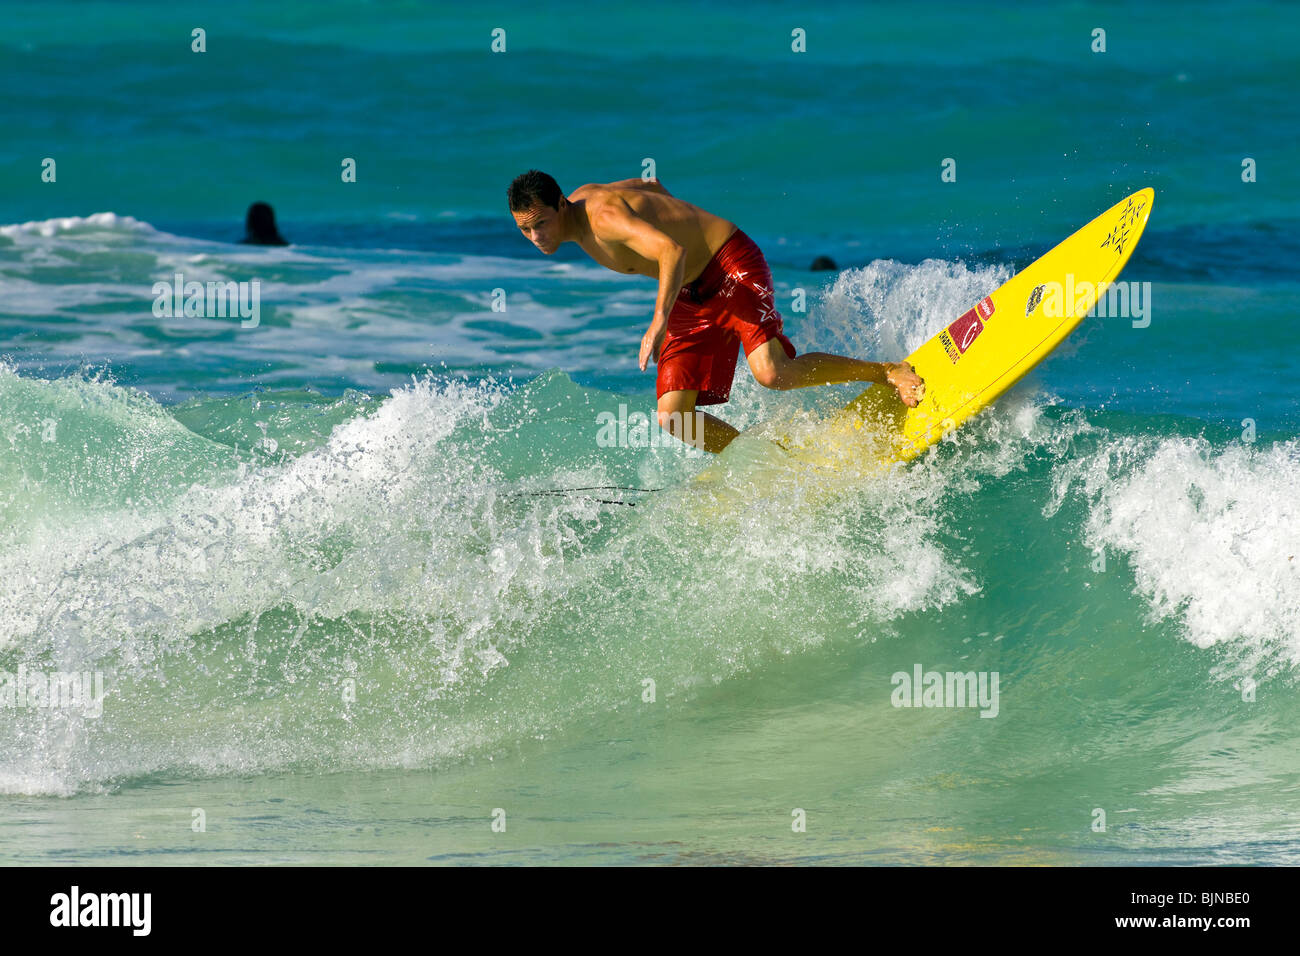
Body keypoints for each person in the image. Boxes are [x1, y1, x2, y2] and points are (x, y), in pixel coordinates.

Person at [507, 170, 923, 453]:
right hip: (692, 289)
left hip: (730, 265)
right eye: (524, 229)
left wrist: (658, 323)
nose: (535, 237)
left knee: (772, 373)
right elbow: (648, 183)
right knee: (674, 417)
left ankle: (886, 370)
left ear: (561, 205)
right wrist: (674, 213)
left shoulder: (603, 219)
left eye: (540, 223)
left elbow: (672, 250)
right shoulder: (580, 204)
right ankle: (758, 456)